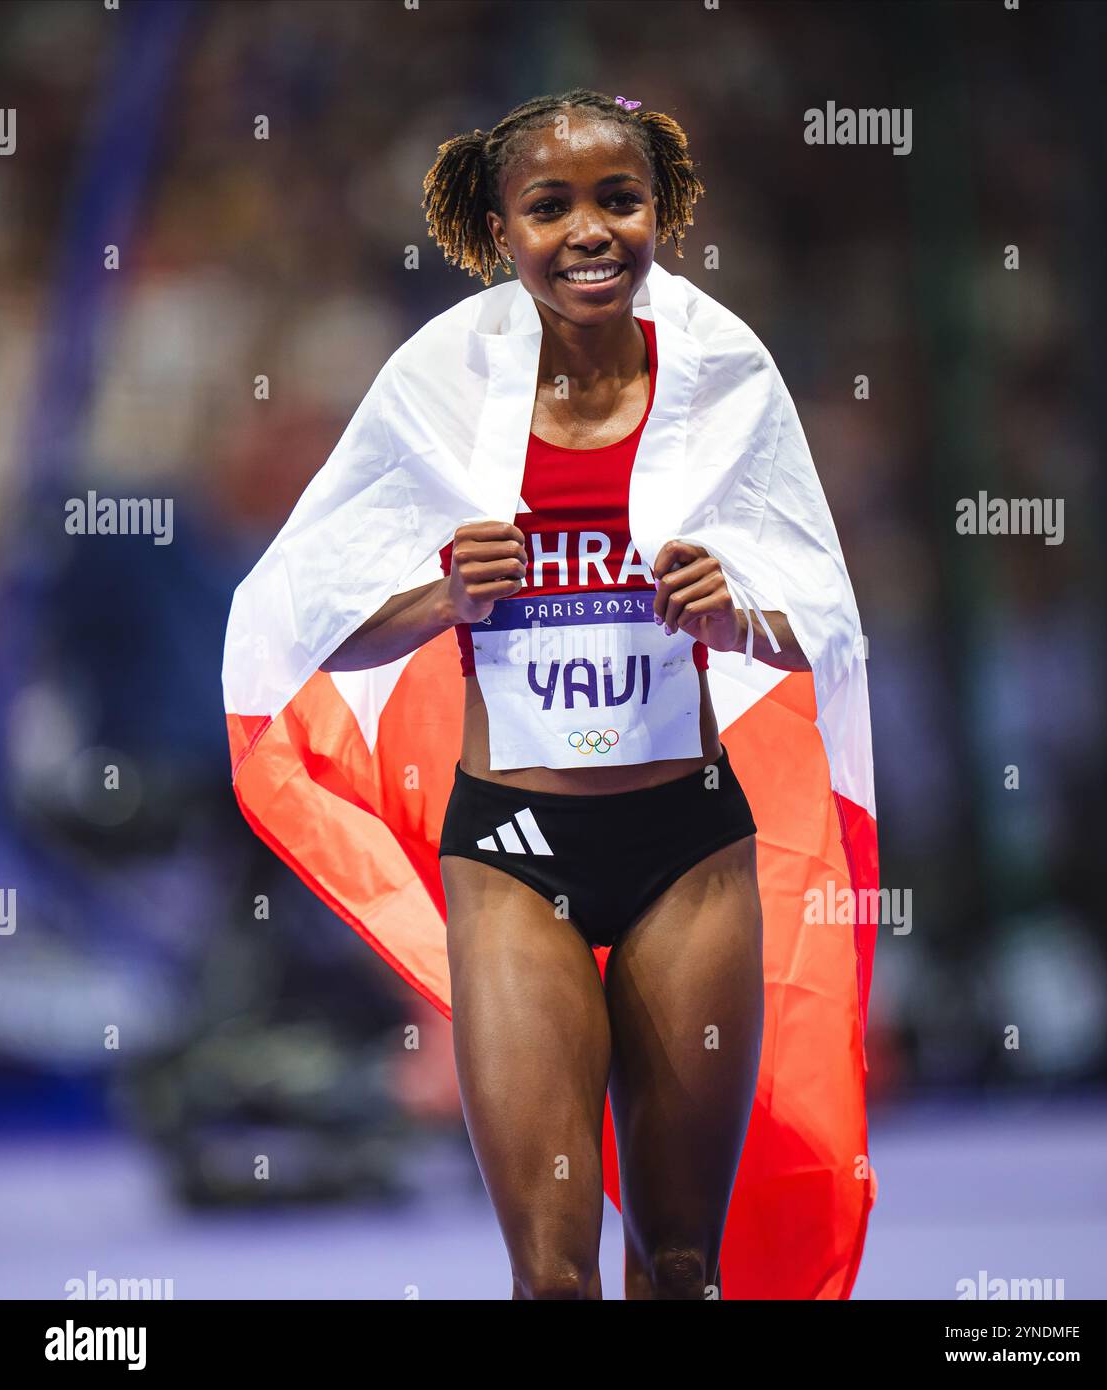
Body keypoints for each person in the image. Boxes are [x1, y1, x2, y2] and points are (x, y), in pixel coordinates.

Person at [319, 89, 811, 1300]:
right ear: (498, 227)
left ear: (663, 213)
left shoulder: (724, 381)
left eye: (619, 199)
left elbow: (824, 630)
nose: (590, 230)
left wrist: (733, 612)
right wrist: (444, 601)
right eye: (551, 207)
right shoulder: (434, 393)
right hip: (515, 850)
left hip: (687, 847)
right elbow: (315, 629)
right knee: (551, 1276)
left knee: (682, 1263)